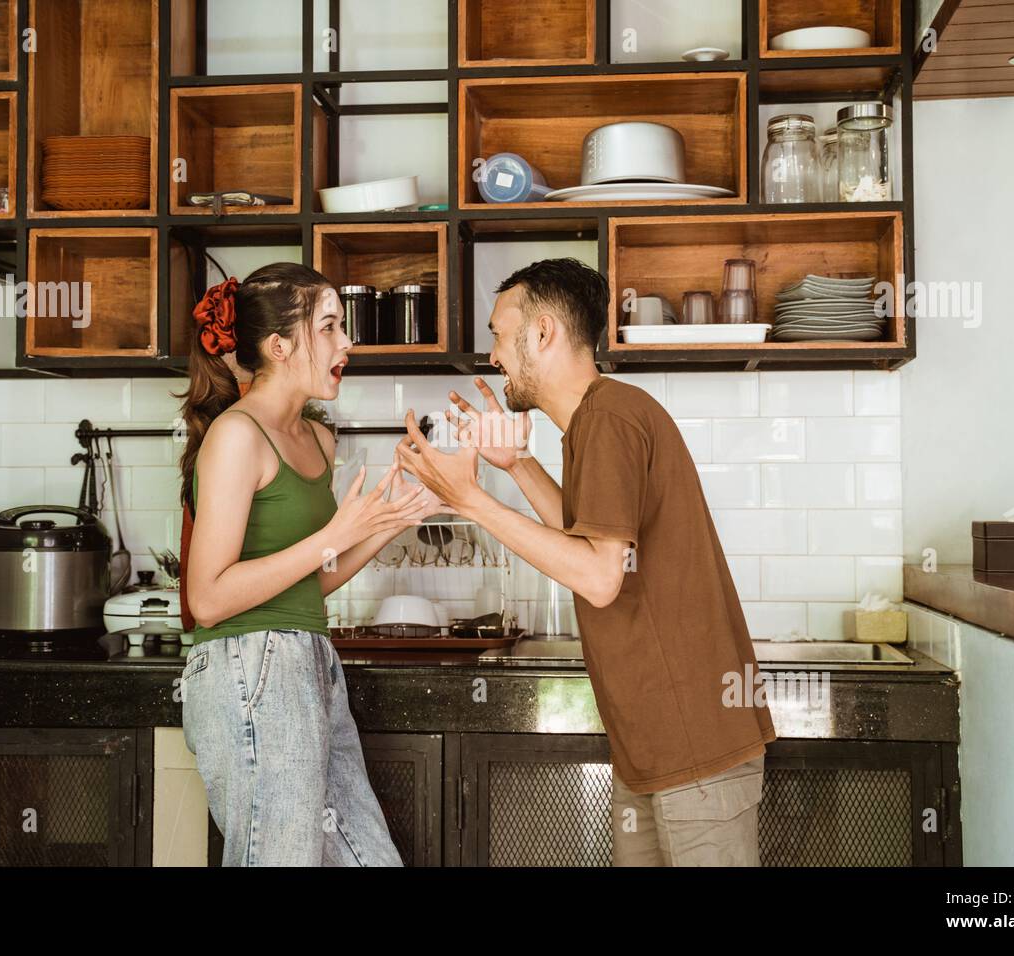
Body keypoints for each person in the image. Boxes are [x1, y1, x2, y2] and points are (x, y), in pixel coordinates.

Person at [395, 258, 777, 866]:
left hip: (693, 745)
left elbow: (599, 578)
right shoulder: (595, 421)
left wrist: (469, 501)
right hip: (655, 744)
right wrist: (517, 466)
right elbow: (588, 544)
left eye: (498, 333)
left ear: (542, 333)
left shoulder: (609, 418)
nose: (492, 355)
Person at [176, 262, 437, 866]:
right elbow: (208, 598)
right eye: (330, 327)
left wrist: (389, 520)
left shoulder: (317, 438)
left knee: (366, 858)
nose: (347, 342)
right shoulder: (237, 436)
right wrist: (334, 533)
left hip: (309, 659)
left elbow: (314, 579)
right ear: (279, 346)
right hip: (247, 666)